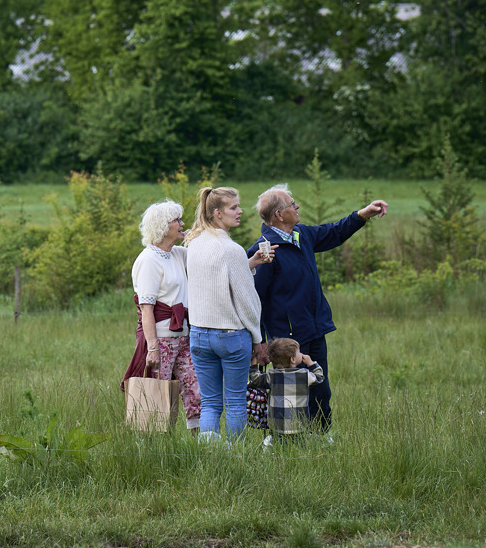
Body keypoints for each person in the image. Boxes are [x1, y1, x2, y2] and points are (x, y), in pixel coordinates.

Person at [249, 185, 388, 433]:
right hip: (287, 338)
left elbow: (333, 232)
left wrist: (363, 214)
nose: (297, 206)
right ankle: (287, 440)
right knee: (290, 392)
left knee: (320, 388)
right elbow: (255, 299)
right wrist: (260, 341)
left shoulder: (302, 234)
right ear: (279, 215)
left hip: (315, 328)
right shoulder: (264, 250)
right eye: (292, 204)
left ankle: (322, 435)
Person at [185, 187, 274, 442]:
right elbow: (247, 301)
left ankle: (211, 453)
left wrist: (249, 264)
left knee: (211, 402)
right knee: (235, 400)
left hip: (200, 334)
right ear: (217, 213)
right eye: (234, 207)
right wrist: (257, 337)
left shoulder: (194, 244)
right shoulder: (231, 249)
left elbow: (215, 280)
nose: (240, 211)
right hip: (231, 336)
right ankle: (235, 455)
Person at [121, 200, 202, 431]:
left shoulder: (177, 253)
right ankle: (153, 444)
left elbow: (205, 260)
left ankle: (201, 440)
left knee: (195, 389)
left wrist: (252, 262)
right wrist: (153, 347)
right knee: (158, 391)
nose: (182, 224)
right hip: (162, 337)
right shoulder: (148, 260)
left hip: (185, 334)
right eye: (177, 220)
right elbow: (146, 308)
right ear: (162, 226)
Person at [248, 338, 325, 444]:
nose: (301, 354)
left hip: (276, 426)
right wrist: (311, 364)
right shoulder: (304, 375)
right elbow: (319, 377)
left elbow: (256, 380)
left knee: (278, 445)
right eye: (299, 352)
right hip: (299, 426)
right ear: (293, 359)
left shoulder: (272, 375)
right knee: (299, 446)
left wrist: (253, 366)